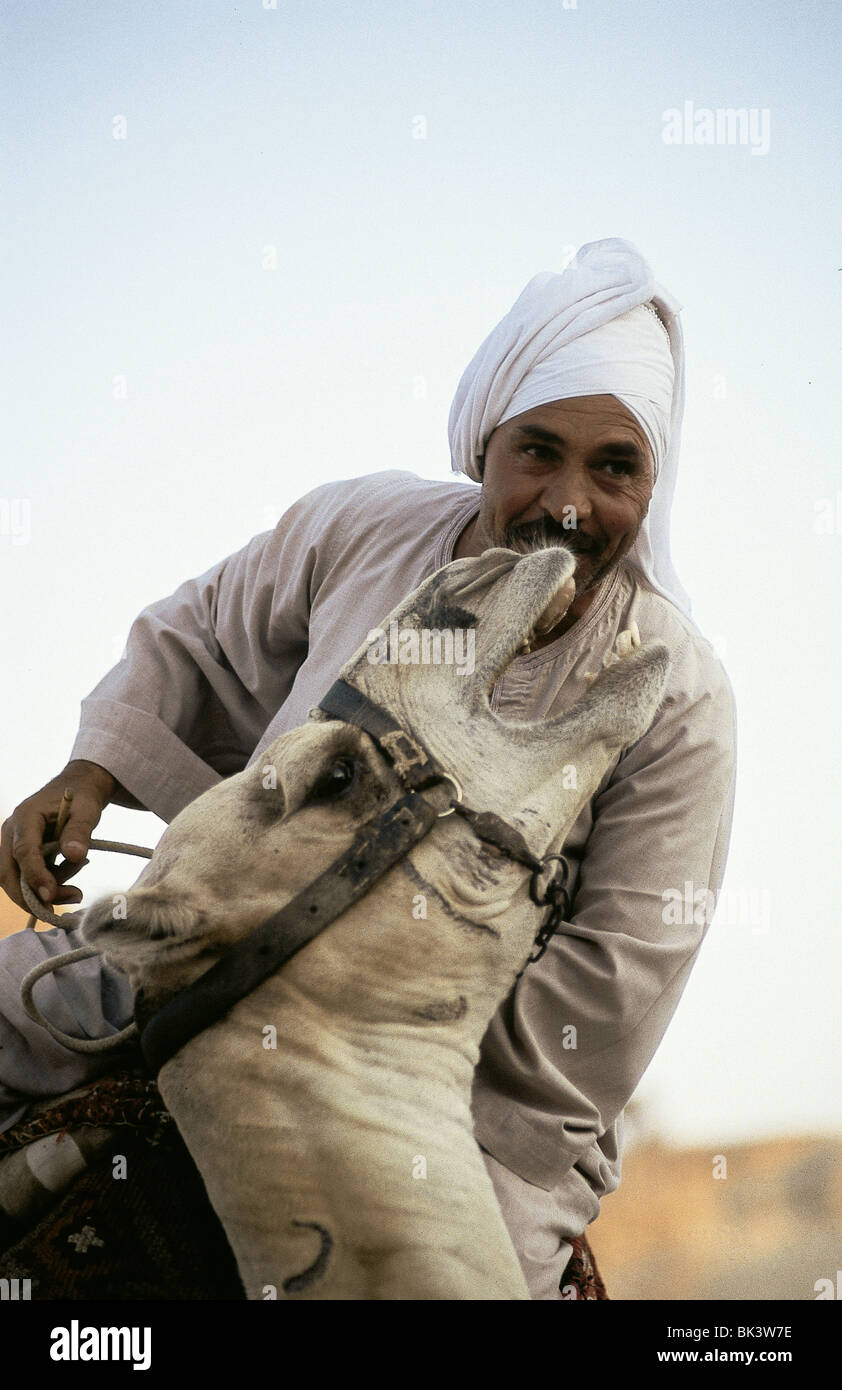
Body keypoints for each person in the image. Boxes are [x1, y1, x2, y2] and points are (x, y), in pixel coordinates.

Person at [0, 238, 737, 1299]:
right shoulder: (363, 527)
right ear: (482, 445)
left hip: (448, 1090)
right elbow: (204, 633)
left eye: (612, 467)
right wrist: (90, 770)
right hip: (199, 958)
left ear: (647, 483)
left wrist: (363, 1075)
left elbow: (616, 971)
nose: (568, 502)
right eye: (537, 451)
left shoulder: (677, 695)